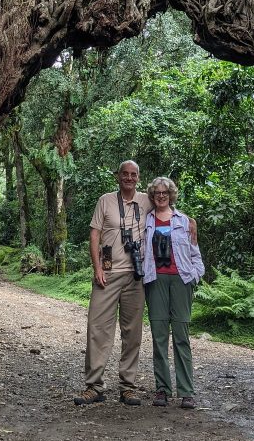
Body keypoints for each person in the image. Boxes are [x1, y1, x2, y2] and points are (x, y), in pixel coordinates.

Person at [74, 161, 196, 406]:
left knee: (133, 334)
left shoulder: (145, 200)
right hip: (107, 273)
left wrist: (190, 220)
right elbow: (94, 235)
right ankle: (94, 386)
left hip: (137, 275)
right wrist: (97, 268)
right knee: (98, 328)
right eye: (125, 174)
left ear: (138, 178)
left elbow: (167, 206)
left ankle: (127, 387)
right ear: (118, 176)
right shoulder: (105, 200)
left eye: (133, 175)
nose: (129, 178)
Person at [143, 176, 205, 409]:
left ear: (171, 195)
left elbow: (195, 254)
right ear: (152, 196)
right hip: (155, 280)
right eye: (157, 193)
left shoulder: (185, 221)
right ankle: (162, 390)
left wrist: (194, 276)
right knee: (159, 336)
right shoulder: (146, 221)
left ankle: (186, 391)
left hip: (181, 280)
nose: (161, 196)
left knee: (181, 336)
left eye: (165, 193)